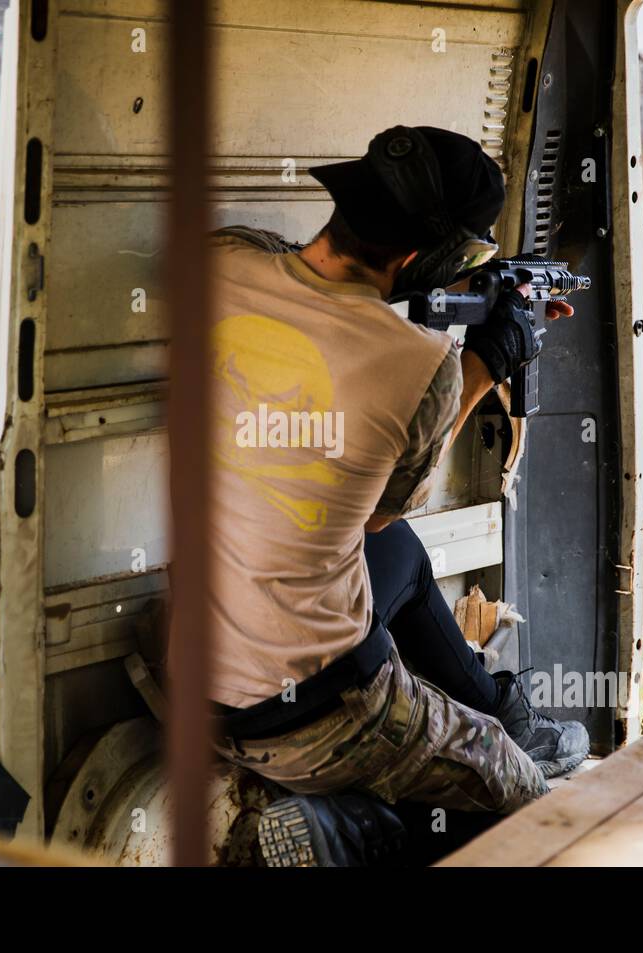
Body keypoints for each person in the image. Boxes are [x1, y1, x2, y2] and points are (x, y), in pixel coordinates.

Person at [205, 126, 588, 865]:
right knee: (526, 795)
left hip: (198, 668)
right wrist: (491, 355)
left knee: (398, 555)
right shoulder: (423, 368)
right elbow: (386, 502)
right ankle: (355, 830)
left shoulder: (221, 265)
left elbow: (301, 287)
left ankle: (494, 701)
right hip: (315, 715)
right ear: (422, 260)